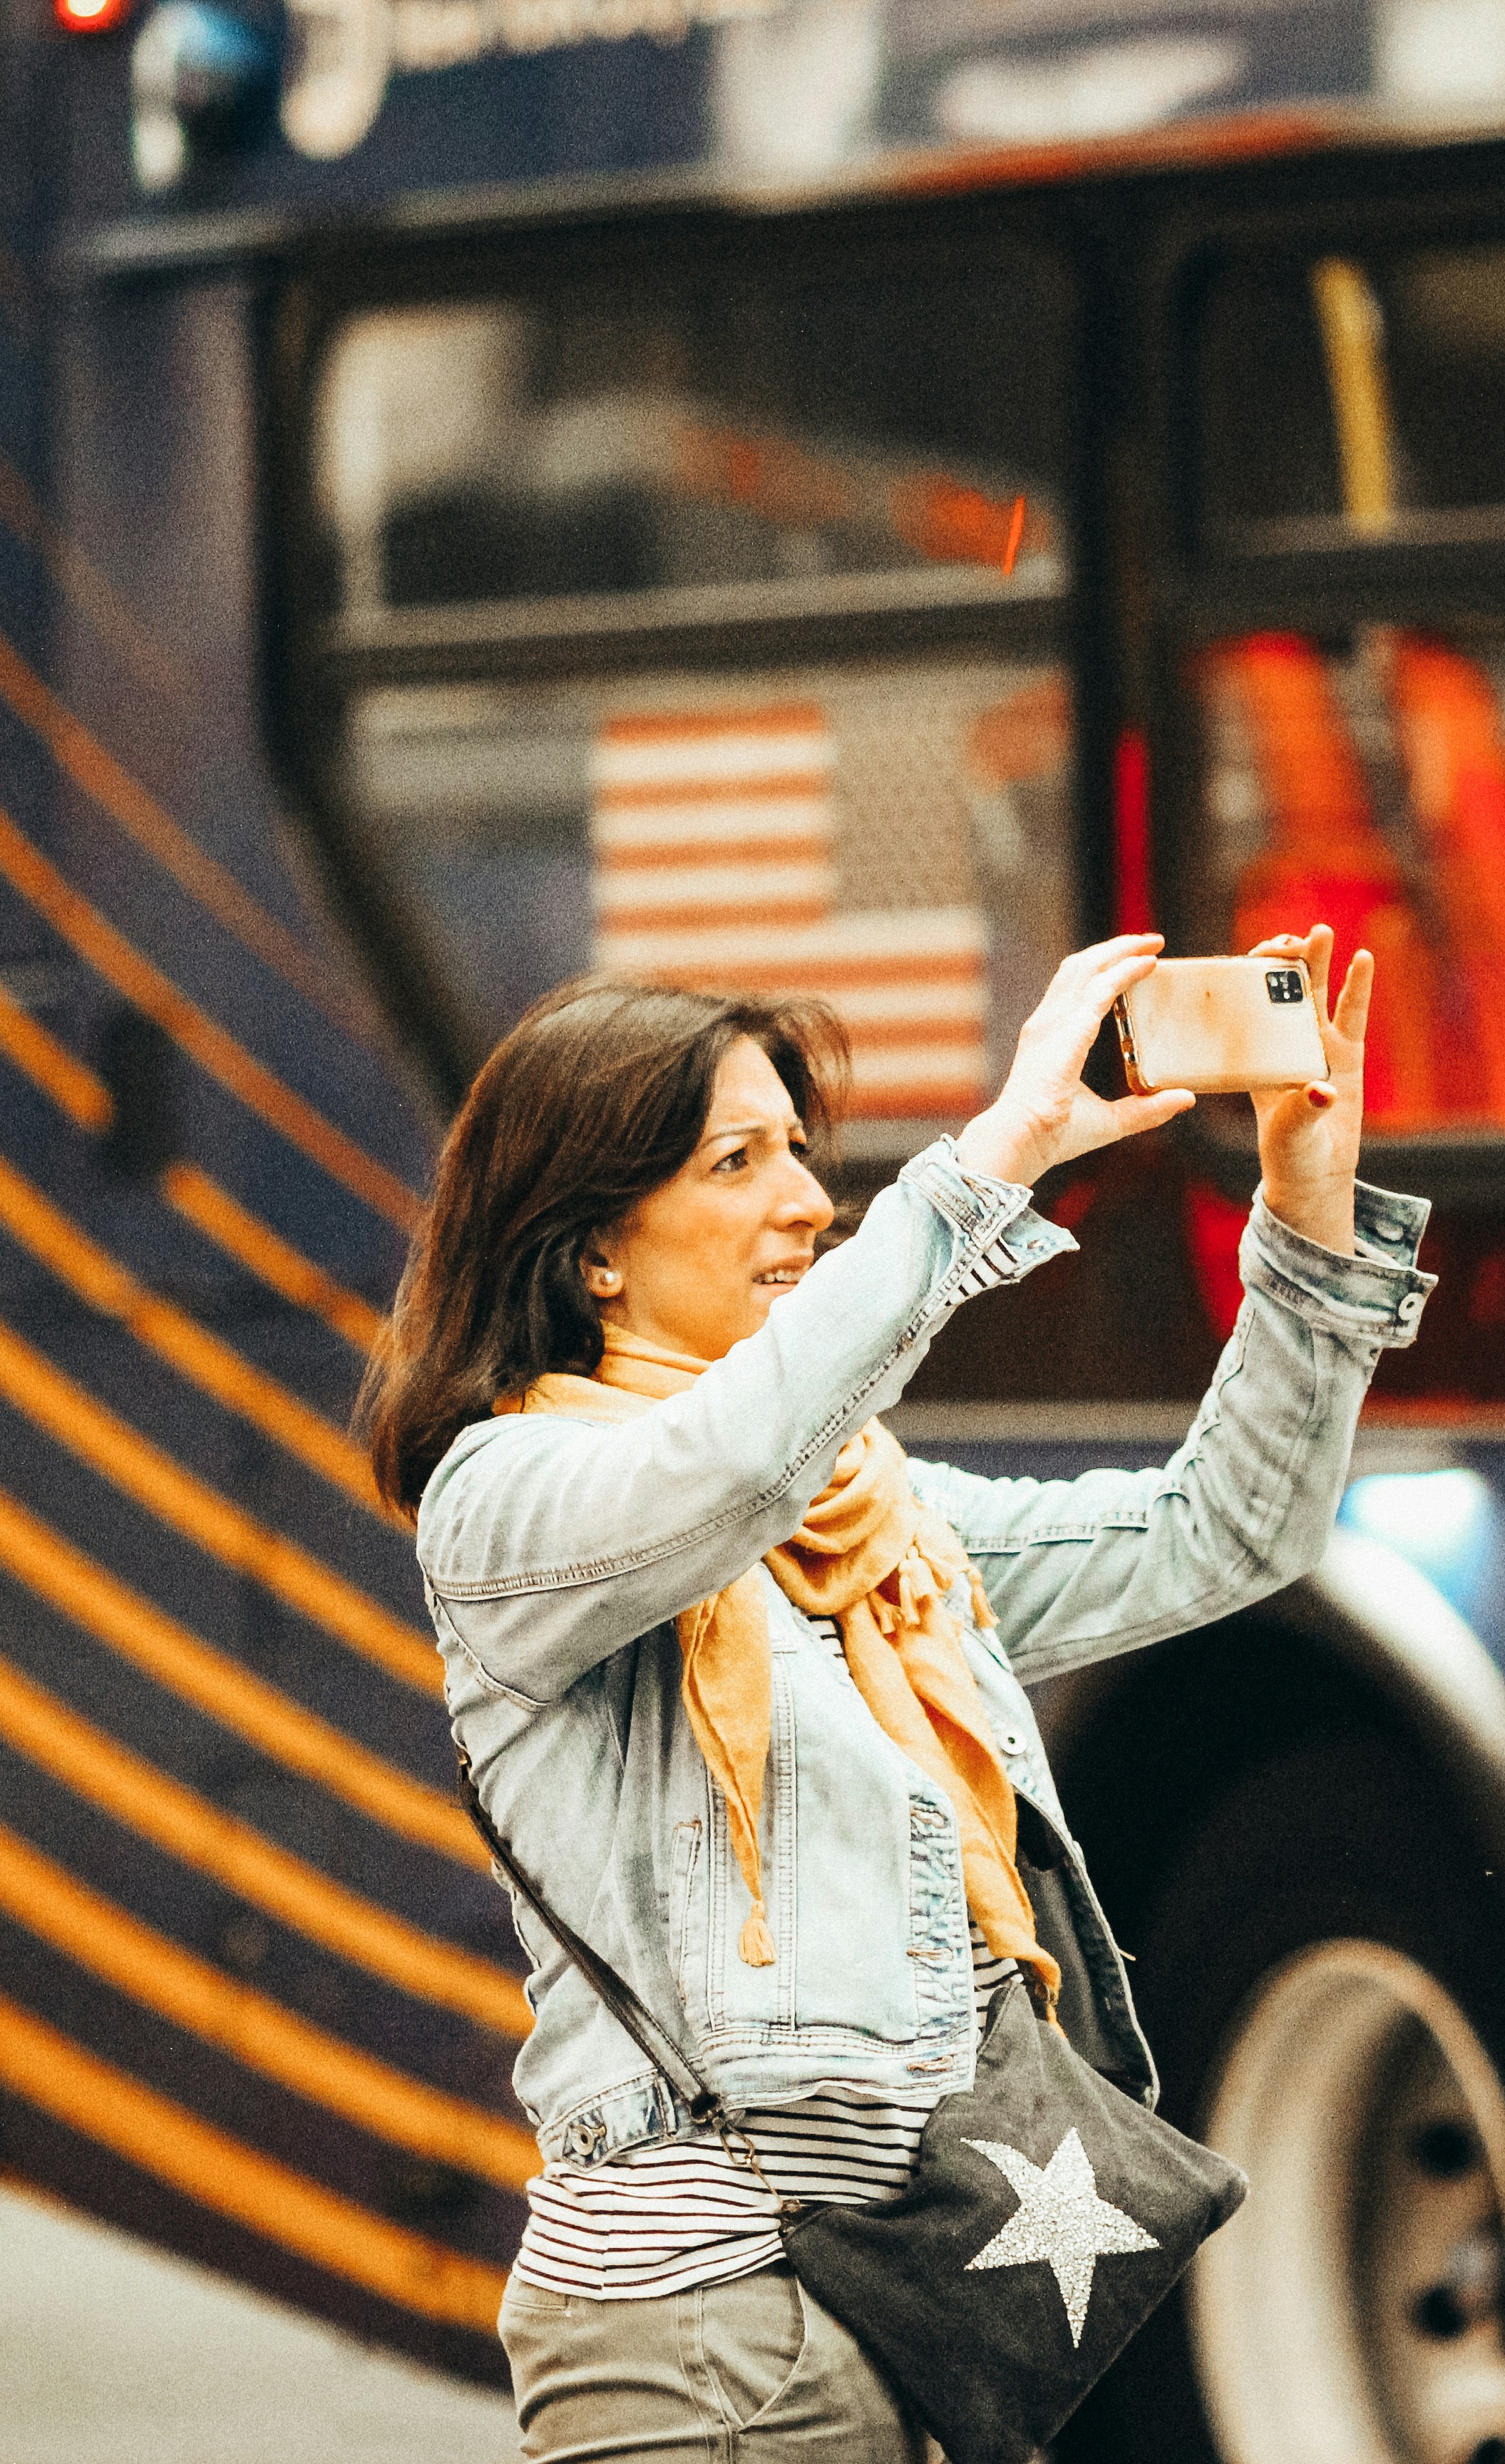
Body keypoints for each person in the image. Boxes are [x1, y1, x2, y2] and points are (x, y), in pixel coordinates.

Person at [361, 929, 1436, 2463]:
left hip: (922, 2304)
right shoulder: (511, 1507)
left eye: (800, 1151)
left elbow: (1221, 1533)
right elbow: (726, 1469)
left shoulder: (874, 1523)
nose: (805, 1199)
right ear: (594, 1245)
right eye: (737, 1161)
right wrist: (1002, 1153)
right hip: (700, 2337)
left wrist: (1308, 1222)